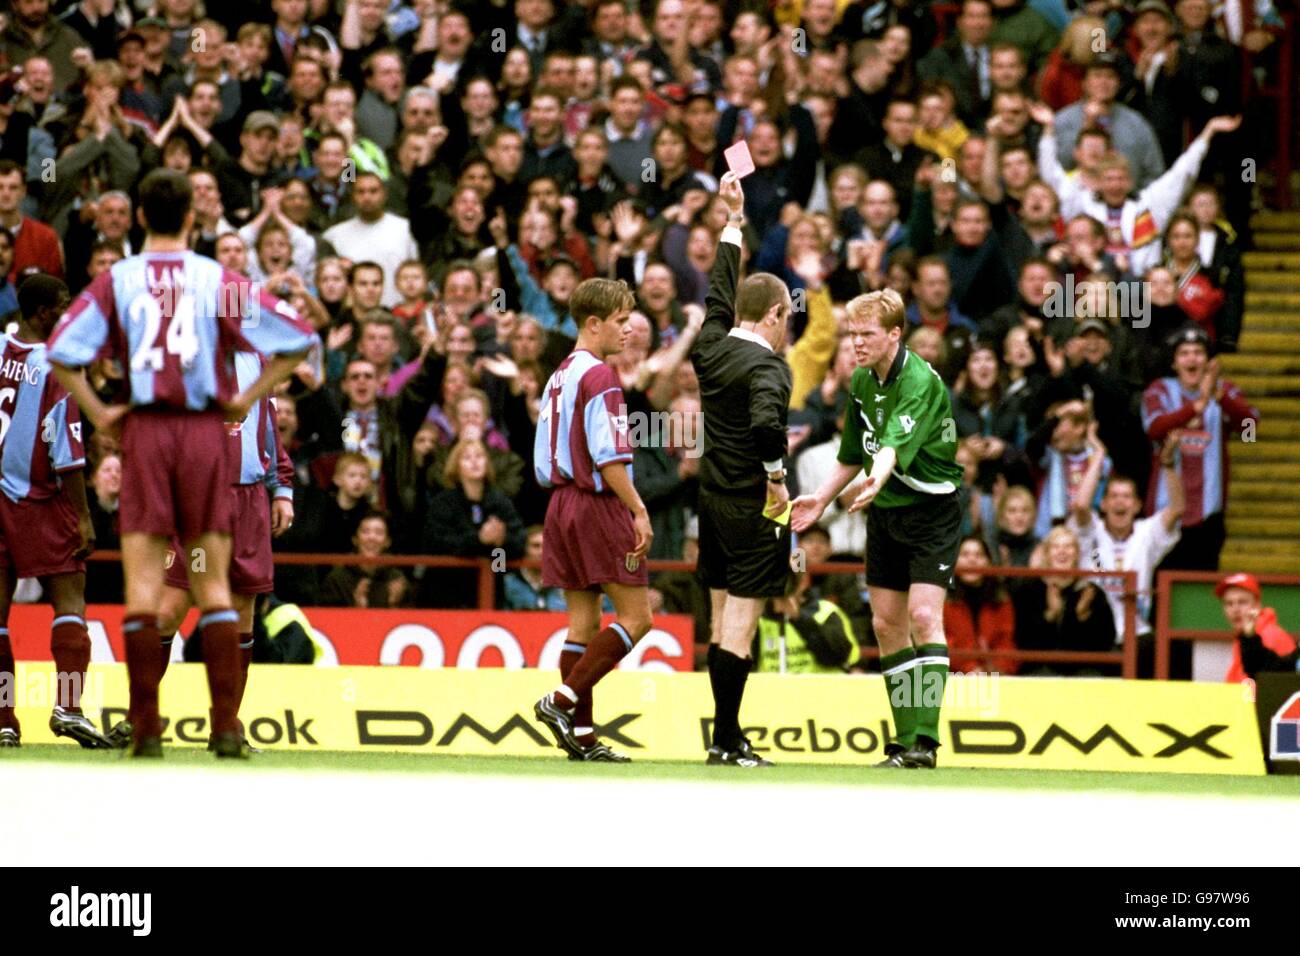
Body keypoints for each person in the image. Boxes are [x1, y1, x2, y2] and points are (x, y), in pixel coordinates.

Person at [47, 169, 318, 758]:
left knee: (145, 587)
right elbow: (297, 338)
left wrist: (98, 411)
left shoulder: (117, 280)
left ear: (140, 217)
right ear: (192, 219)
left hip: (146, 429)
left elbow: (61, 352)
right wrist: (248, 396)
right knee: (215, 584)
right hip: (202, 433)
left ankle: (146, 729)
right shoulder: (214, 278)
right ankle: (225, 729)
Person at [793, 288, 964, 769]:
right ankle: (904, 738)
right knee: (886, 623)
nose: (856, 344)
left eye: (866, 334)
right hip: (886, 510)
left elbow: (888, 446)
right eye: (851, 334)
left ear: (895, 333)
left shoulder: (918, 381)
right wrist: (821, 498)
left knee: (925, 618)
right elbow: (854, 450)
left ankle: (926, 742)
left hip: (933, 511)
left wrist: (876, 478)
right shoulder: (863, 381)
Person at [689, 171, 793, 768]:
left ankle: (722, 737)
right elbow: (765, 427)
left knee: (721, 618)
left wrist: (733, 221)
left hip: (711, 504)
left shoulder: (708, 348)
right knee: (740, 629)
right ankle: (728, 740)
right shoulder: (771, 371)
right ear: (776, 314)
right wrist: (777, 479)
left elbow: (715, 297)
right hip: (754, 507)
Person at [530, 275, 653, 764]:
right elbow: (608, 456)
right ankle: (561, 701)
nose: (629, 331)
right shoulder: (601, 376)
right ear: (594, 323)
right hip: (597, 503)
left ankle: (580, 736)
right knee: (637, 618)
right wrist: (637, 509)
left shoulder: (559, 373)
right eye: (621, 322)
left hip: (560, 503)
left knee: (581, 625)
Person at [0, 276, 127, 749]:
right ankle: (68, 707)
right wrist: (85, 516)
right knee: (70, 603)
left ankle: (4, 720)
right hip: (38, 497)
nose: (69, 313)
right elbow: (67, 450)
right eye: (60, 307)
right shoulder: (58, 367)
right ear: (39, 315)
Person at [153, 351, 297, 751]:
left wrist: (281, 488)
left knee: (242, 616)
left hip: (249, 500)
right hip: (196, 498)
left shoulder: (258, 359)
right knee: (167, 610)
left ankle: (227, 726)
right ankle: (140, 716)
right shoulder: (181, 357)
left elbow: (268, 430)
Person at [1067, 427, 1184, 674]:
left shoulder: (1146, 533)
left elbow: (1177, 508)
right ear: (1104, 504)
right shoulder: (1092, 532)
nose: (1120, 502)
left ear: (1137, 505)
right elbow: (1079, 505)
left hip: (1139, 636)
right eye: (1114, 496)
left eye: (1127, 497)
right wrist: (1098, 455)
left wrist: (1168, 465)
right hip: (1095, 633)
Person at [1011, 525, 1115, 675]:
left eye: (1068, 546)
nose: (1062, 552)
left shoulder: (1092, 592)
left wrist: (1082, 617)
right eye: (1055, 547)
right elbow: (1022, 641)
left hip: (1082, 669)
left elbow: (1104, 644)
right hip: (1039, 668)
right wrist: (1050, 616)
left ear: (1077, 554)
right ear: (1046, 554)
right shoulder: (1028, 589)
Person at [944, 535, 1018, 675]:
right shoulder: (942, 600)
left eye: (979, 555)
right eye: (965, 554)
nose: (972, 560)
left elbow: (1006, 643)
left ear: (989, 562)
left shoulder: (1001, 599)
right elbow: (943, 644)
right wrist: (969, 668)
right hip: (952, 677)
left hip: (995, 677)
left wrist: (997, 669)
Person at [1216, 572, 1299, 686]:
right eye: (1229, 603)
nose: (1235, 610)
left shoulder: (1269, 636)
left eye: (1242, 602)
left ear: (1257, 605)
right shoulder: (1247, 638)